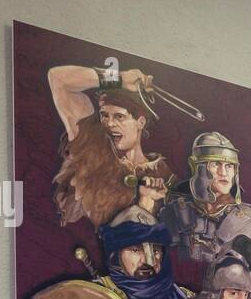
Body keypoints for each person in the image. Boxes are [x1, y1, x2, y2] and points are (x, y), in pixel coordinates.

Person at [47, 64, 173, 228]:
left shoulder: (162, 173)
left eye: (119, 117)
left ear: (140, 122)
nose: (109, 123)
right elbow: (58, 79)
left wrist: (146, 204)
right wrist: (119, 79)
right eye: (104, 115)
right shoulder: (93, 146)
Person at [160, 131, 251, 271]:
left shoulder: (250, 224)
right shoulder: (175, 212)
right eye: (216, 164)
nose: (223, 172)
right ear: (195, 166)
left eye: (229, 165)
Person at [96, 207, 193, 299]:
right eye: (136, 250)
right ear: (116, 255)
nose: (149, 261)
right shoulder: (97, 295)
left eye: (156, 250)